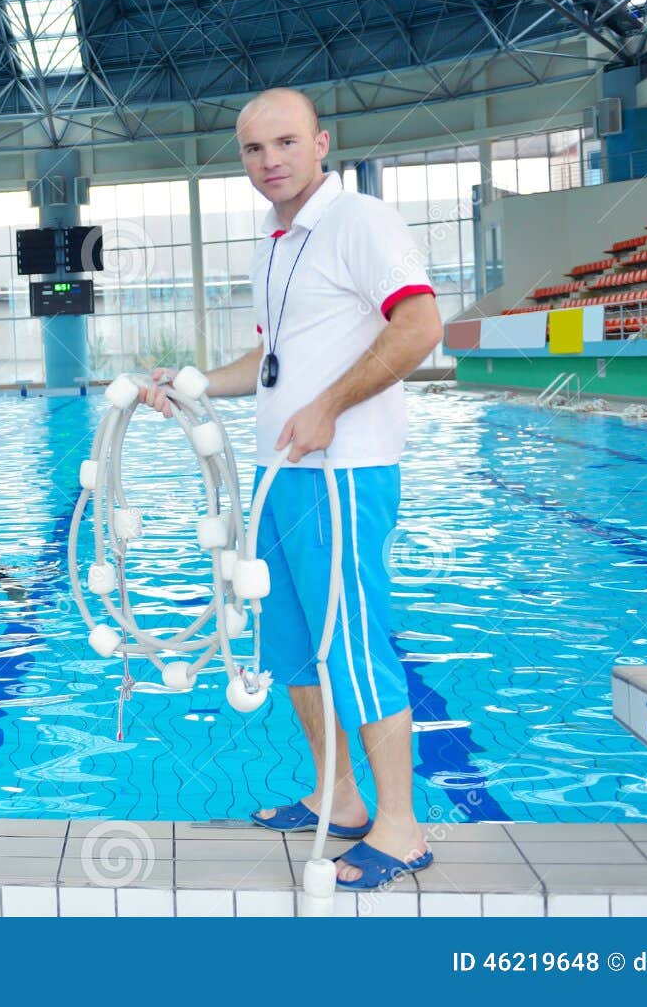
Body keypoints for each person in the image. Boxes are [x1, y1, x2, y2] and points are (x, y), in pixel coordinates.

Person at [137, 87, 443, 891]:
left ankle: (401, 828)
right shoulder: (273, 240)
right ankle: (338, 799)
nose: (270, 161)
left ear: (321, 143)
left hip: (343, 474)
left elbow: (419, 326)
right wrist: (190, 382)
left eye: (285, 143)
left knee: (354, 646)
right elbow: (269, 362)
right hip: (286, 473)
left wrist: (330, 409)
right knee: (298, 651)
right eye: (252, 150)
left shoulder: (361, 223)